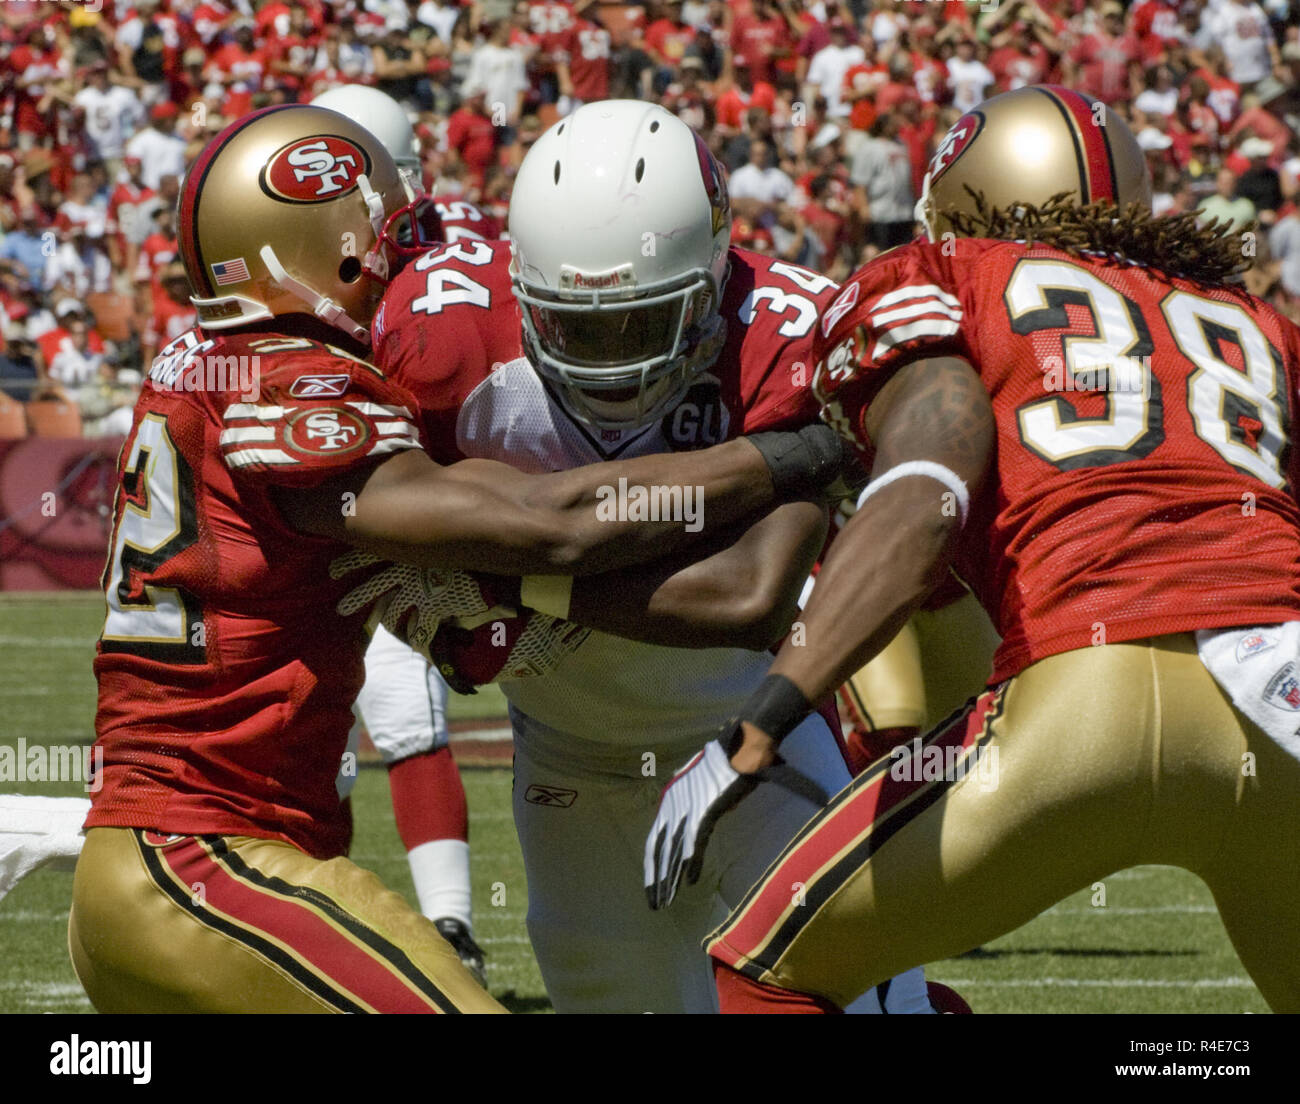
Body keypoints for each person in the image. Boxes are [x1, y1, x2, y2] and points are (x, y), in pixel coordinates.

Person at [71, 104, 848, 1014]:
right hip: (204, 858)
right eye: (386, 238)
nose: (402, 268)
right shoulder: (290, 386)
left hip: (183, 856)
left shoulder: (203, 361)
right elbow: (550, 521)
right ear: (329, 249)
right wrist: (787, 456)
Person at [644, 84, 1300, 1015]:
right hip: (1280, 701)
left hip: (1088, 702)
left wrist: (757, 724)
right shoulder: (1257, 324)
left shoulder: (945, 272)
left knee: (767, 970)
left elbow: (926, 490)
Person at [374, 100, 943, 1014]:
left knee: (872, 998)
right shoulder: (440, 334)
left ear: (713, 275)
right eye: (575, 326)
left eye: (637, 324)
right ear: (524, 286)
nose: (608, 360)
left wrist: (501, 577)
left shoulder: (781, 325)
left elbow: (748, 597)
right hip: (569, 760)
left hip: (752, 737)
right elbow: (368, 525)